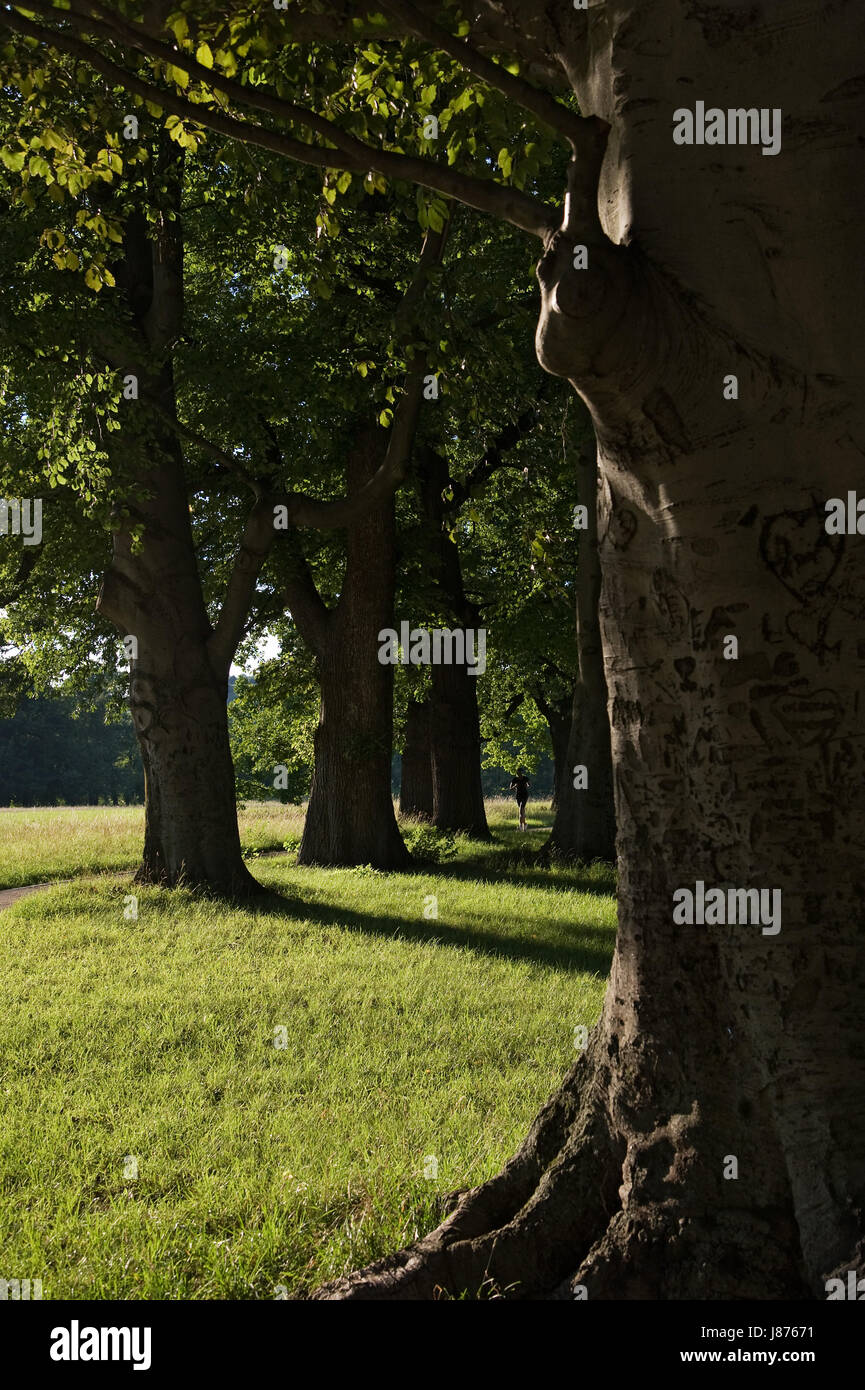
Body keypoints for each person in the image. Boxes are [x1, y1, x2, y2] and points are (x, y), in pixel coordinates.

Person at [509, 767, 530, 831]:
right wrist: (515, 786)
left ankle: (520, 826)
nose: (519, 773)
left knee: (521, 809)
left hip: (525, 795)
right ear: (517, 773)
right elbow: (510, 788)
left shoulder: (526, 778)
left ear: (522, 772)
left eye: (520, 772)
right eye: (518, 772)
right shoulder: (515, 779)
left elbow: (529, 785)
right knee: (521, 811)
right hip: (518, 795)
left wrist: (527, 785)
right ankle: (525, 824)